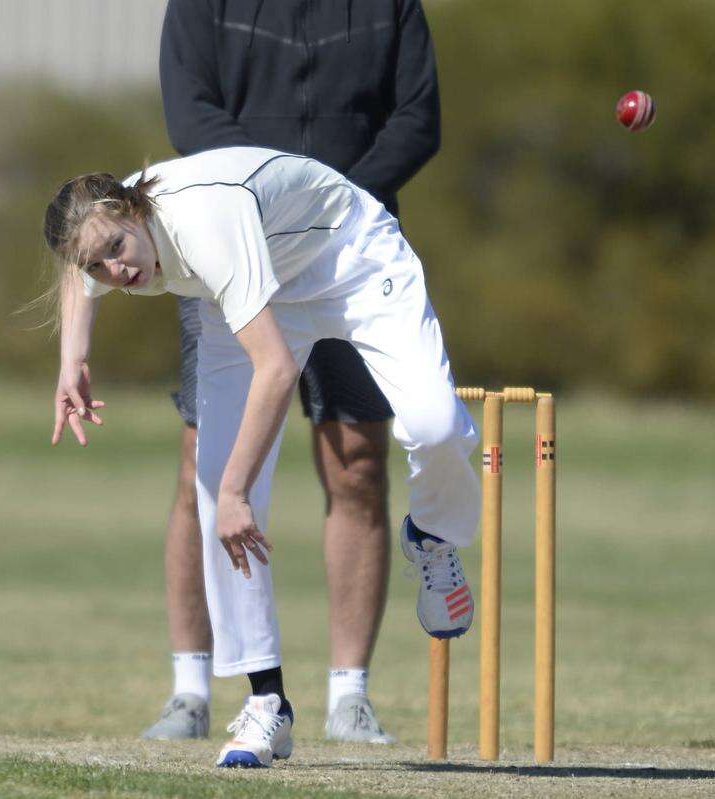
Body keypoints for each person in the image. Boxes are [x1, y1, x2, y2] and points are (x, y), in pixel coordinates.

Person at [46, 146, 480, 768]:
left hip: (349, 258)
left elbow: (276, 370)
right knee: (209, 491)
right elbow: (75, 272)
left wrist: (236, 494)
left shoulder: (201, 222)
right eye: (98, 264)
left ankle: (435, 537)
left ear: (131, 210)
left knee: (436, 427)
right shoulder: (106, 221)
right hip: (242, 296)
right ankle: (267, 703)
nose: (115, 270)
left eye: (116, 248)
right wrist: (72, 361)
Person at [149, 0, 442, 743]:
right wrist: (271, 208)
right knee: (206, 470)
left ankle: (350, 693)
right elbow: (193, 118)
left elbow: (416, 118)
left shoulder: (391, 7)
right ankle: (191, 686)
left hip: (350, 252)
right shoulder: (202, 7)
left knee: (356, 465)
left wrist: (335, 204)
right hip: (232, 257)